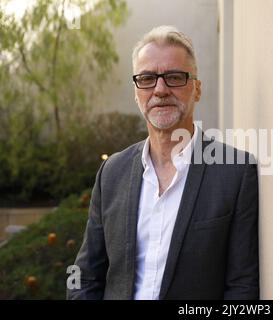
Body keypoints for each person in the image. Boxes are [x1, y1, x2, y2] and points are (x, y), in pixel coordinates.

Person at [67, 25, 259, 300]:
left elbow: (243, 288)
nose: (160, 89)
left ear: (197, 89)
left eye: (174, 77)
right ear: (136, 92)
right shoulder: (111, 173)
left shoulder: (236, 174)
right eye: (146, 78)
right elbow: (83, 274)